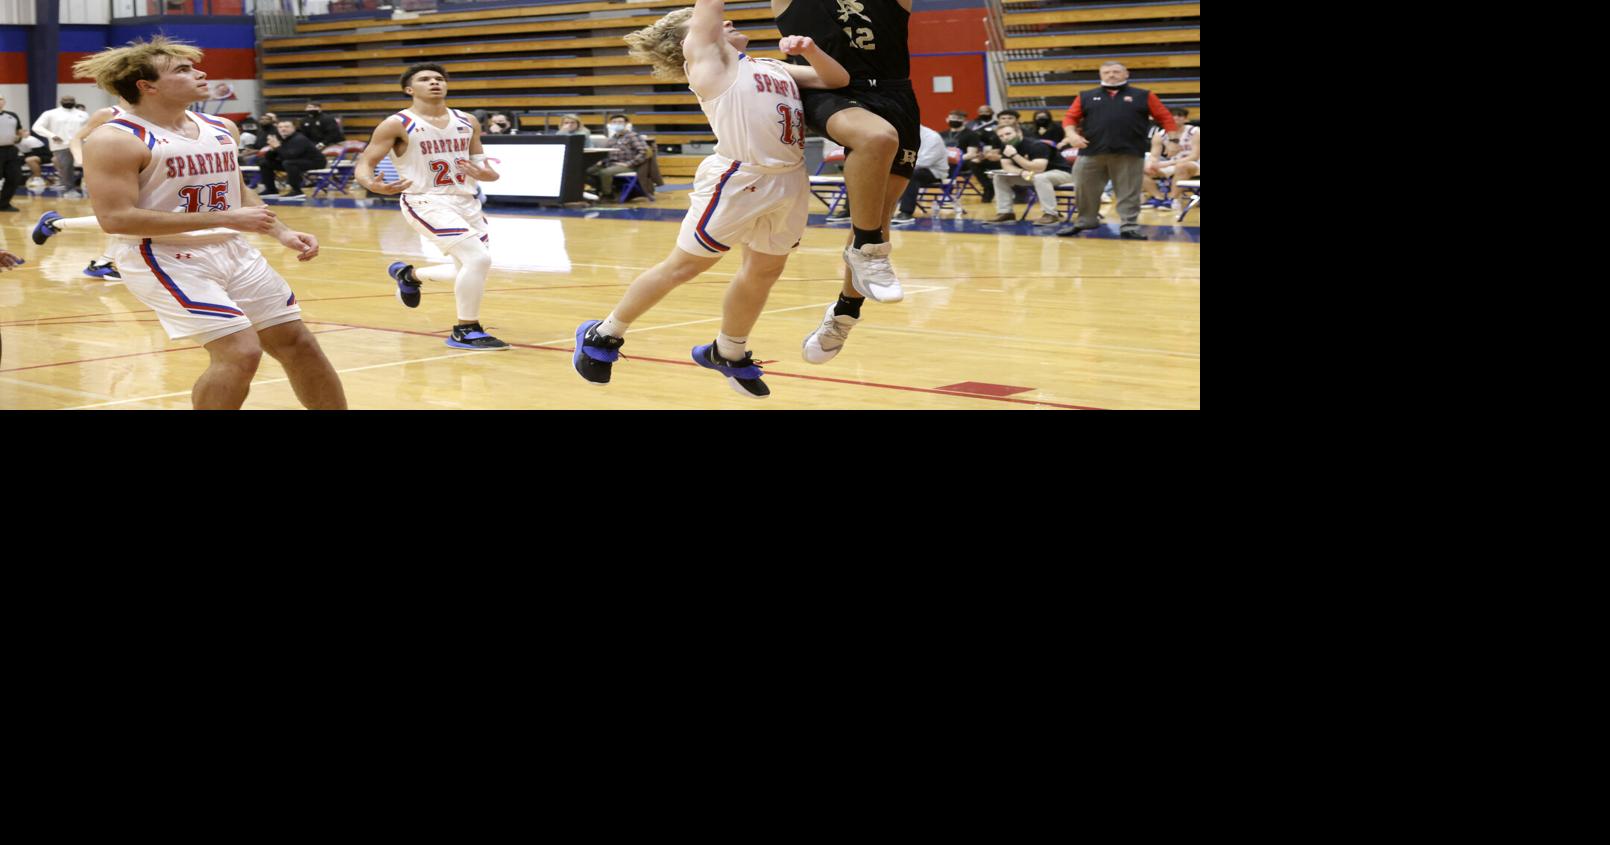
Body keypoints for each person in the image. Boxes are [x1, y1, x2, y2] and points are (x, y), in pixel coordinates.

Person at [572, 0, 848, 397]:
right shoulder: (710, 65)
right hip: (739, 179)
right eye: (717, 22)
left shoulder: (771, 65)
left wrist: (811, 52)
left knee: (764, 272)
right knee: (683, 267)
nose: (728, 20)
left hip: (789, 179)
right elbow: (710, 11)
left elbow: (836, 80)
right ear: (693, 39)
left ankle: (728, 351)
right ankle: (604, 333)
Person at [74, 36, 346, 410]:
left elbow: (236, 188)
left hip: (232, 248)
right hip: (163, 255)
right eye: (182, 70)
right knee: (241, 351)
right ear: (146, 86)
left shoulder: (220, 128)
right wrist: (225, 217)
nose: (200, 73)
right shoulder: (114, 139)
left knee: (299, 343)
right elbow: (116, 219)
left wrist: (280, 230)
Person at [774, 0, 915, 364]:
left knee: (878, 215)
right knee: (876, 139)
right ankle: (868, 249)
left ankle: (844, 314)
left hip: (896, 94)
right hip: (829, 90)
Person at [353, 62, 508, 351]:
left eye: (439, 79)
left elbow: (484, 166)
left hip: (466, 201)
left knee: (467, 267)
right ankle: (466, 329)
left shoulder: (467, 121)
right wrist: (373, 184)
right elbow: (365, 163)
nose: (435, 82)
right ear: (409, 89)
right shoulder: (397, 123)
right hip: (425, 199)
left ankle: (408, 275)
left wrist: (487, 174)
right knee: (478, 260)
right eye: (425, 79)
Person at [1055, 60, 1180, 239]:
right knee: (1084, 188)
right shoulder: (1085, 96)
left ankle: (1129, 226)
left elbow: (1165, 117)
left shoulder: (1143, 95)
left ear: (1126, 74)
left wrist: (1173, 140)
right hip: (1092, 151)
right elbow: (1069, 119)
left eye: (1116, 72)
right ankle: (1085, 221)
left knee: (1129, 191)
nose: (1111, 75)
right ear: (1100, 75)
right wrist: (1072, 135)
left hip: (1129, 151)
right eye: (1106, 72)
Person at [30, 102, 136, 279]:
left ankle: (56, 225)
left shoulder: (156, 112)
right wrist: (83, 162)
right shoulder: (108, 113)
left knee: (128, 221)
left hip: (140, 169)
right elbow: (77, 138)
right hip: (113, 169)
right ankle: (101, 262)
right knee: (122, 218)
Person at [983, 122, 1072, 226]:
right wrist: (1021, 172)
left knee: (1040, 177)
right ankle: (1006, 213)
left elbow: (1039, 168)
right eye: (1001, 136)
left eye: (1008, 134)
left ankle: (1051, 214)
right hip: (1032, 175)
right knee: (999, 177)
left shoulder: (1037, 145)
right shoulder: (1007, 146)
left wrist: (1014, 155)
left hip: (1061, 173)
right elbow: (1006, 166)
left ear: (1019, 132)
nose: (1005, 138)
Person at [32, 95, 90, 198]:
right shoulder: (51, 113)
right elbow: (37, 127)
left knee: (89, 166)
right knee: (66, 167)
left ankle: (89, 187)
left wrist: (87, 139)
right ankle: (69, 189)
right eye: (66, 100)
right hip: (61, 145)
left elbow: (89, 128)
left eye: (71, 100)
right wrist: (52, 135)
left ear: (75, 101)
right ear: (61, 101)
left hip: (80, 145)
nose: (68, 101)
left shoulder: (83, 114)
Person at [890, 123, 948, 224]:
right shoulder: (903, 136)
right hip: (911, 167)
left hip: (934, 171)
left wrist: (898, 166)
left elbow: (925, 162)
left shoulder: (932, 137)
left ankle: (906, 213)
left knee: (911, 175)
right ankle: (883, 211)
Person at [261, 119, 326, 199]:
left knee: (289, 163)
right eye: (280, 127)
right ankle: (271, 190)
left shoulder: (299, 139)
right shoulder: (281, 139)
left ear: (293, 128)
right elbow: (269, 157)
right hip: (296, 162)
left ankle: (297, 191)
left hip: (315, 162)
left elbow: (290, 156)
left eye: (287, 127)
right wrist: (272, 149)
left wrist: (277, 147)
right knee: (264, 163)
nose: (283, 129)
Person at [586, 113, 650, 194]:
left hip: (627, 165)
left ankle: (608, 195)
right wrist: (602, 160)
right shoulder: (613, 138)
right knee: (585, 172)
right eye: (614, 122)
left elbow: (644, 152)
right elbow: (607, 152)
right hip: (610, 163)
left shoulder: (632, 136)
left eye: (620, 122)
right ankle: (603, 188)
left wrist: (629, 163)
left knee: (605, 173)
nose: (617, 124)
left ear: (626, 124)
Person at [0, 95, 27, 211]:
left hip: (11, 150)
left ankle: (4, 204)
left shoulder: (12, 115)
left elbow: (19, 131)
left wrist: (20, 137)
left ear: (4, 102)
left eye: (1, 99)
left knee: (14, 177)